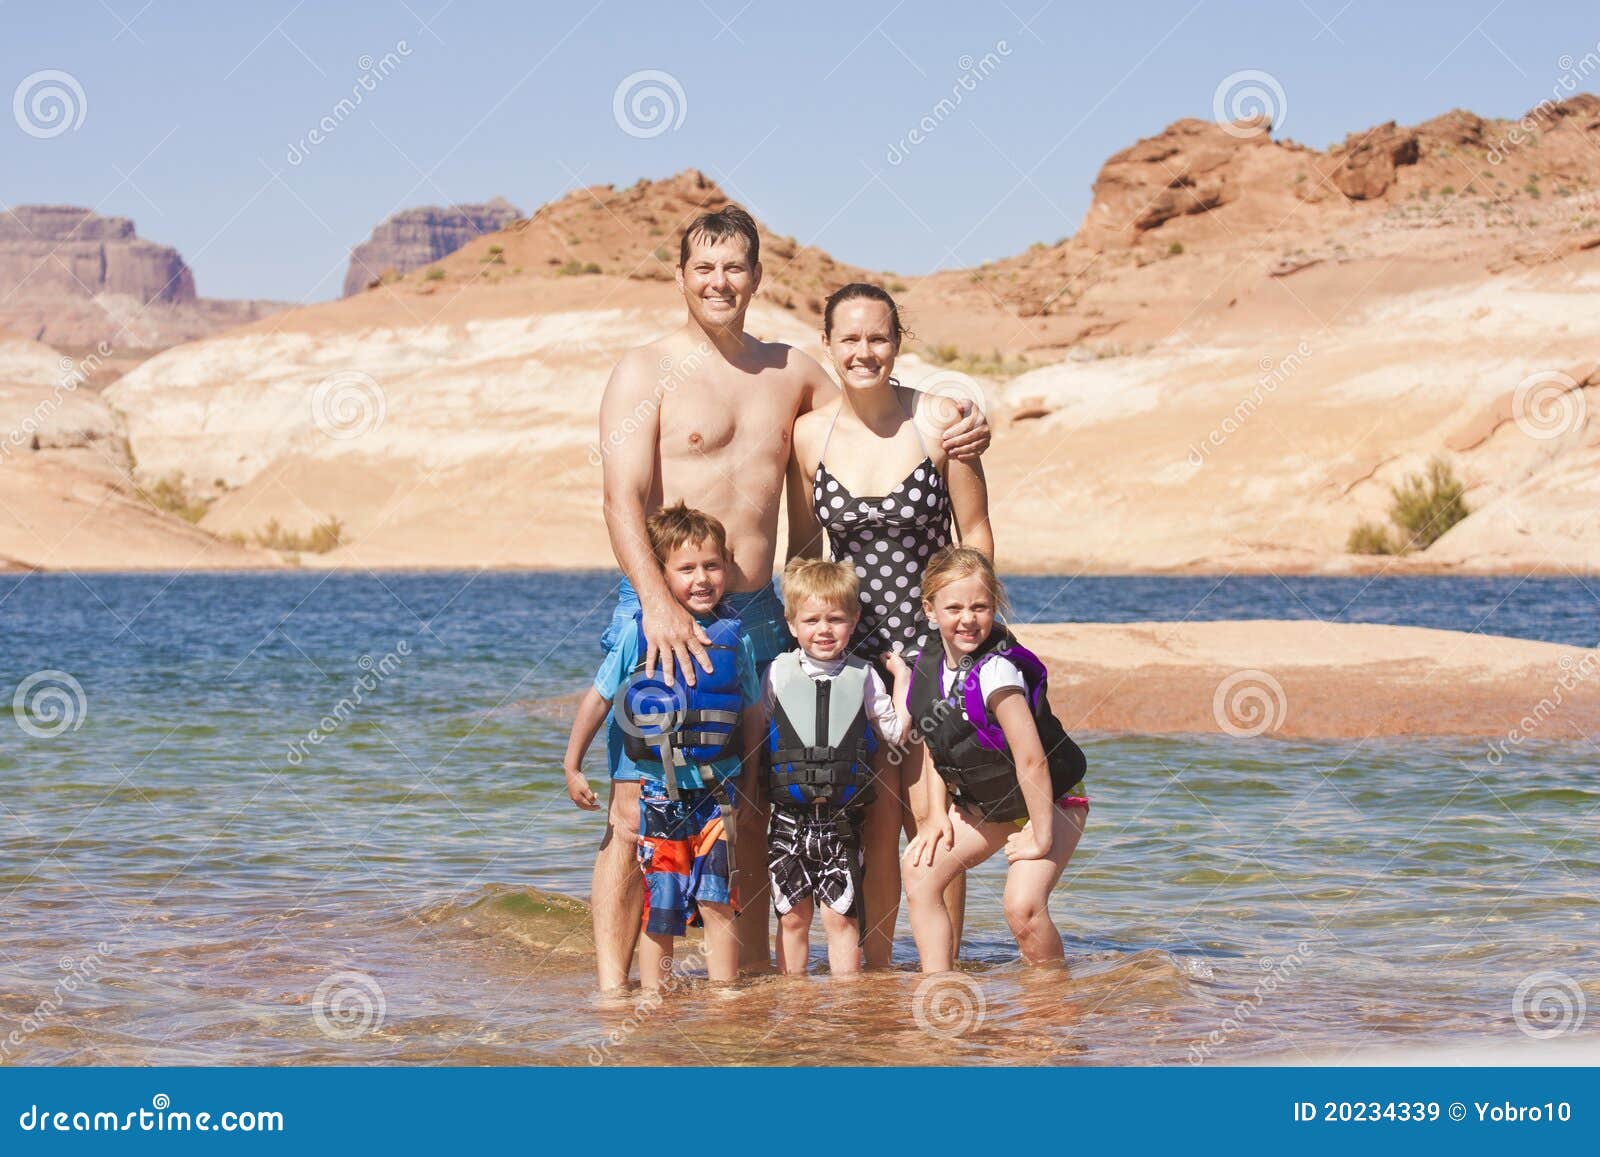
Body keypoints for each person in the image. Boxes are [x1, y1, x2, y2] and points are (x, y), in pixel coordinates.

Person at [594, 206, 990, 983]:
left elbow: (876, 396)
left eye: (734, 267)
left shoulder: (791, 372)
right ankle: (616, 989)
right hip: (664, 610)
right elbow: (620, 498)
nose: (719, 282)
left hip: (762, 618)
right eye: (703, 268)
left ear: (756, 277)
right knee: (637, 809)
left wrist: (965, 422)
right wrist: (659, 605)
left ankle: (735, 981)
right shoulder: (644, 372)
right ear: (680, 276)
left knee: (748, 806)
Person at [786, 282, 992, 968]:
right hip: (852, 664)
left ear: (898, 342)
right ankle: (874, 985)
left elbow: (978, 533)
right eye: (850, 339)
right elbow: (803, 551)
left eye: (878, 337)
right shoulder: (810, 435)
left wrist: (969, 644)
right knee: (870, 826)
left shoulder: (940, 421)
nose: (864, 351)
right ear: (829, 346)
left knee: (932, 824)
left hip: (934, 656)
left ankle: (945, 970)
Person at [563, 503, 762, 990]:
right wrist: (572, 764)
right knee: (663, 902)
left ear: (728, 569)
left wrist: (753, 782)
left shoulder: (738, 640)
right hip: (659, 792)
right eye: (687, 568)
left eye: (712, 566)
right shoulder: (637, 635)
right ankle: (655, 996)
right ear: (659, 573)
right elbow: (598, 700)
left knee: (719, 897)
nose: (702, 578)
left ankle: (725, 997)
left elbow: (753, 715)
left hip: (718, 792)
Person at [900, 546, 1089, 973]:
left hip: (1053, 799)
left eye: (980, 606)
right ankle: (938, 985)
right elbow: (936, 746)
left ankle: (1050, 1002)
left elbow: (1032, 761)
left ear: (994, 607)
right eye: (954, 607)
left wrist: (1041, 835)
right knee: (918, 870)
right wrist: (934, 816)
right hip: (996, 803)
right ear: (930, 610)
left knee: (1022, 907)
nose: (968, 618)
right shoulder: (930, 664)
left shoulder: (997, 673)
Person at [763, 558, 910, 975]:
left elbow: (896, 733)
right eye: (811, 619)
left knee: (841, 919)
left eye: (836, 619)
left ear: (854, 620)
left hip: (841, 825)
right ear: (792, 624)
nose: (823, 629)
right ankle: (793, 1004)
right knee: (792, 917)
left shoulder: (864, 676)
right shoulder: (776, 673)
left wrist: (901, 678)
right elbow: (756, 734)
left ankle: (847, 1008)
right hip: (787, 821)